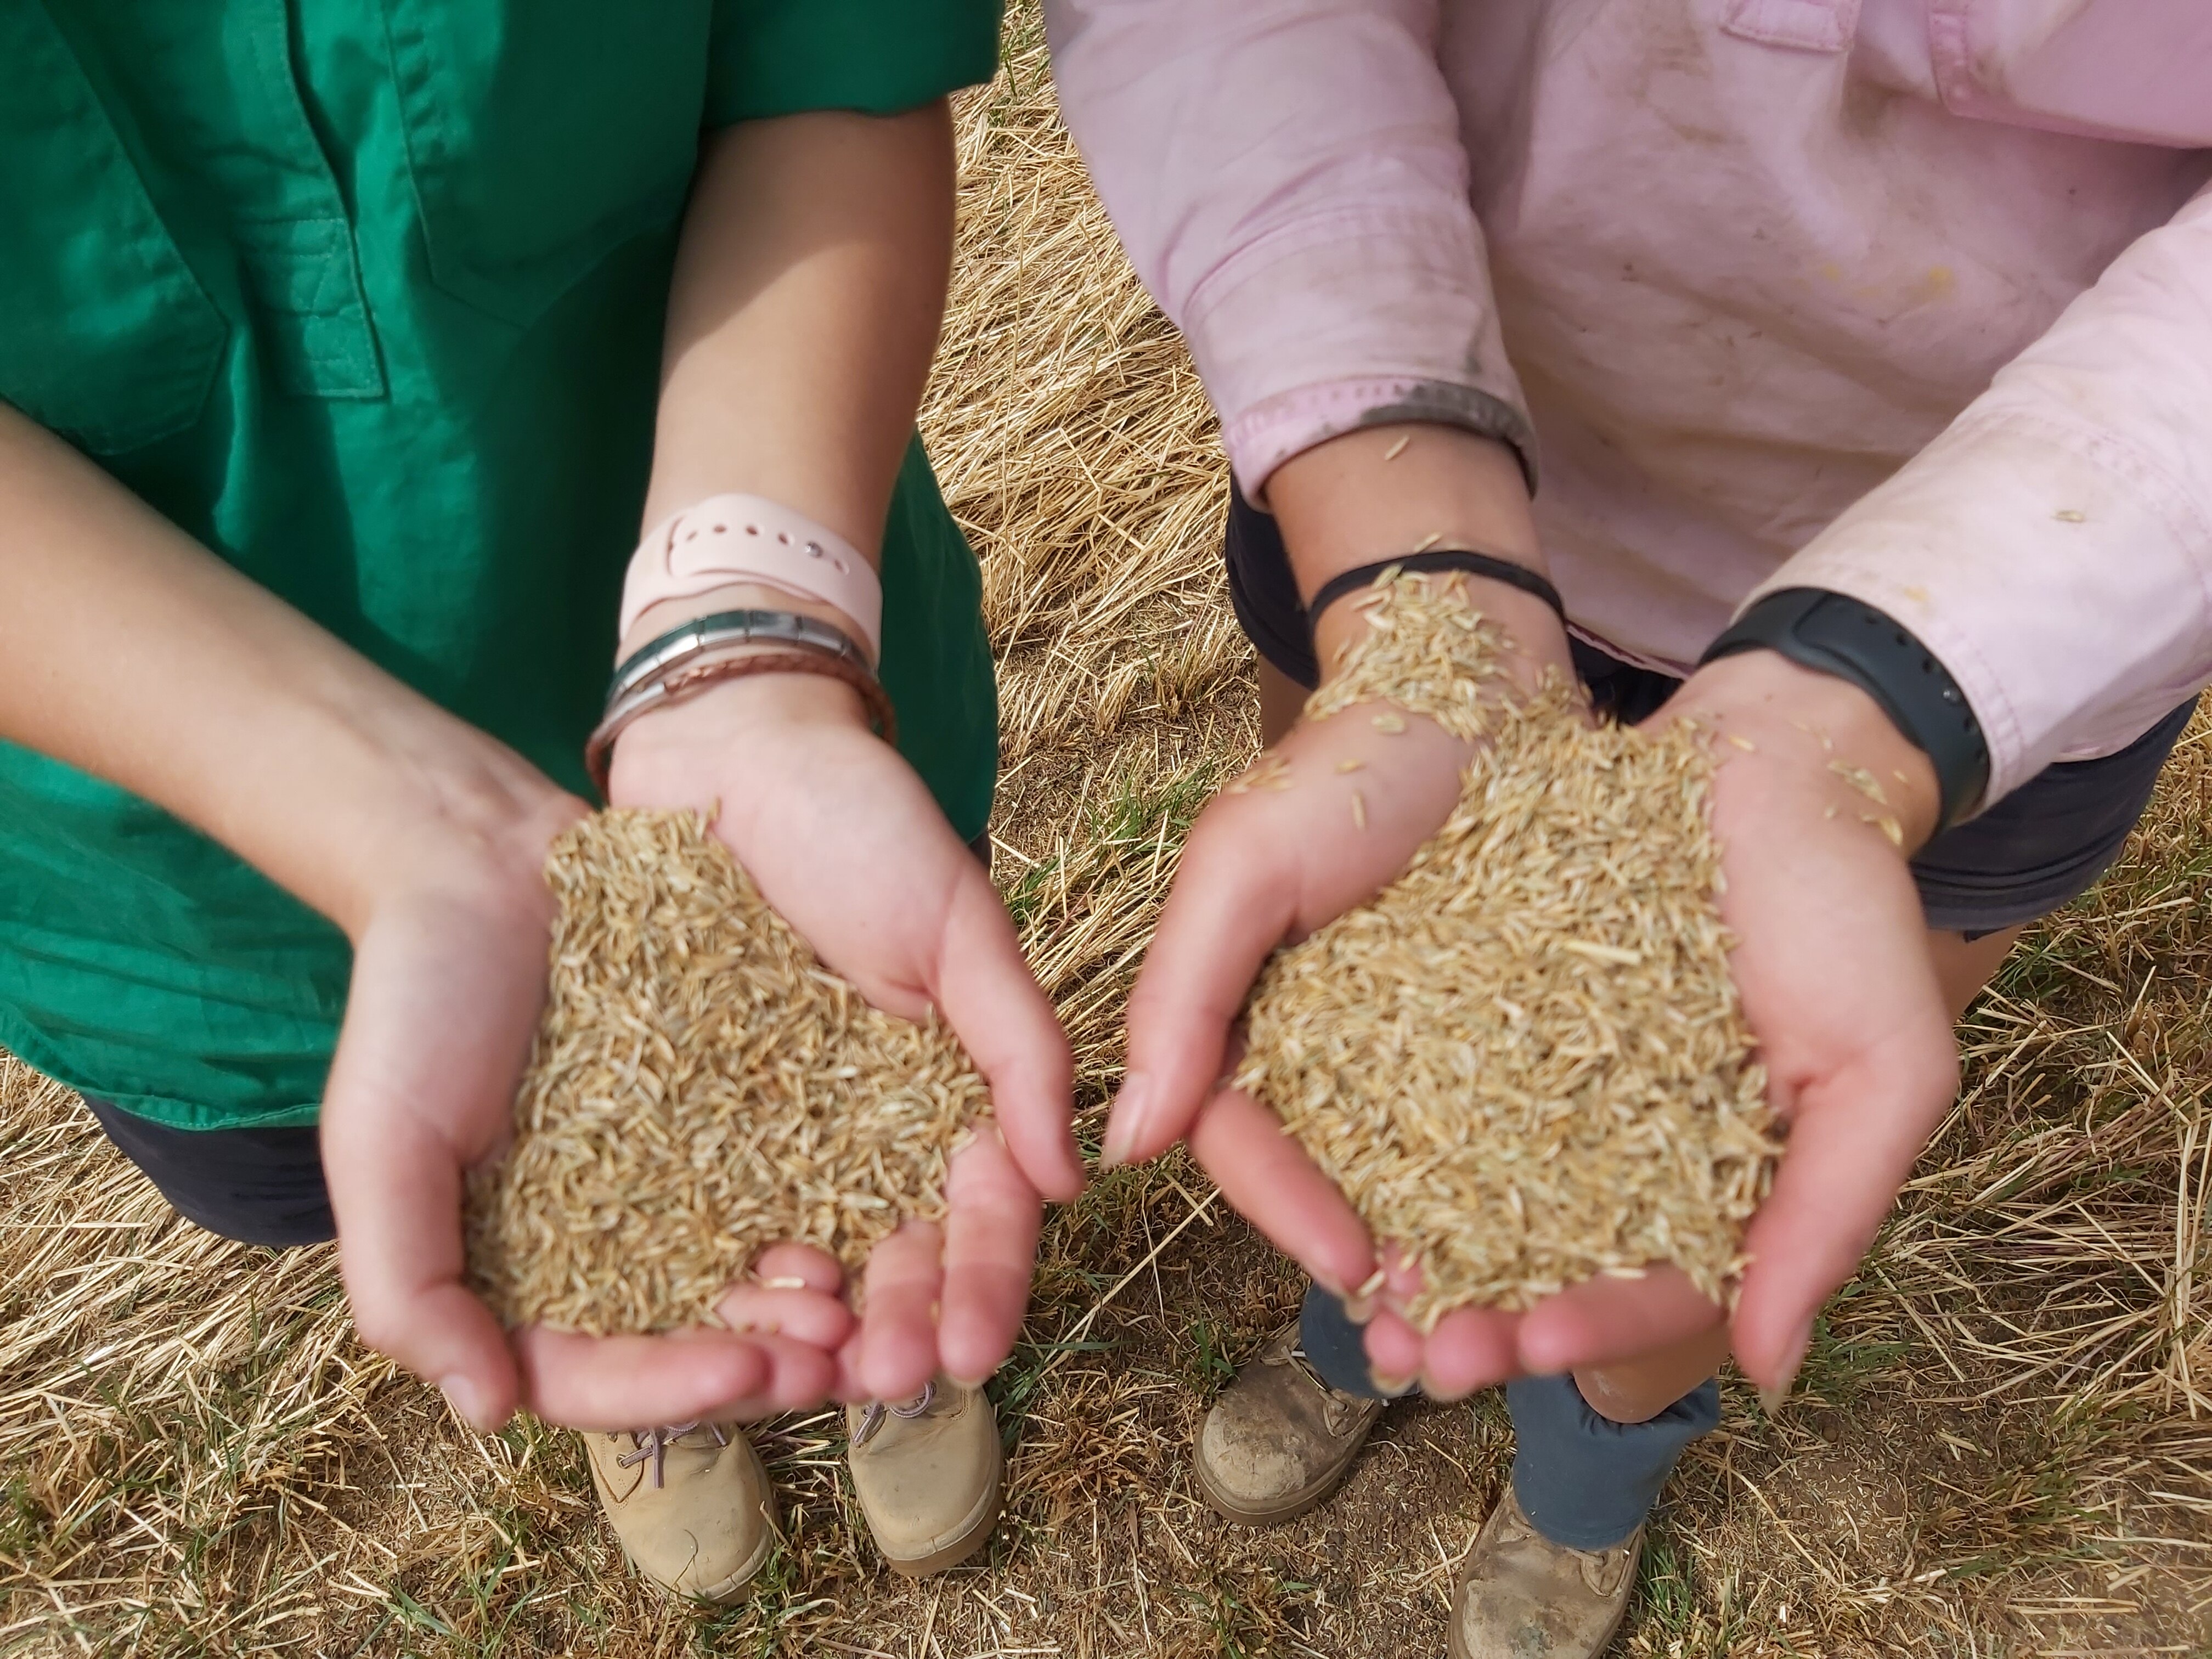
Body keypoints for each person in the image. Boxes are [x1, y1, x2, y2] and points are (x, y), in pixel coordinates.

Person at [1047, 3, 2212, 1654]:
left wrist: (1885, 691)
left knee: (1696, 1206)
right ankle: (1360, 1318)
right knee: (1366, 1063)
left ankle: (1589, 1481)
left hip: (2017, 633)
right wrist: (1407, 556)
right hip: (1425, 473)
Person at [0, 0, 1081, 1602]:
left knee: (859, 1049)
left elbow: (826, 67)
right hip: (175, 889)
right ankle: (622, 1275)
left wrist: (744, 657)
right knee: (470, 1136)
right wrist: (409, 836)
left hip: (777, 654)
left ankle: (874, 1323)